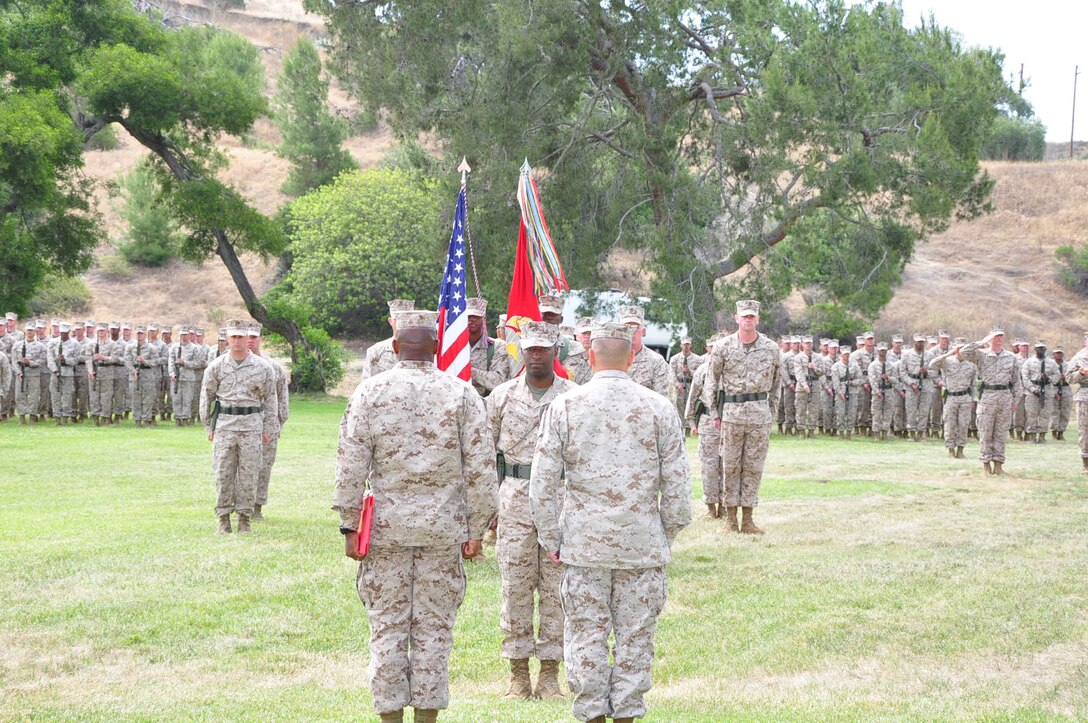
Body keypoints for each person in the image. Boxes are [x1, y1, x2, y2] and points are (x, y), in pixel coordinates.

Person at [333, 310, 497, 723]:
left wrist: (349, 526)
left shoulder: (369, 393)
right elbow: (481, 470)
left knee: (387, 628)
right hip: (443, 531)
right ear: (438, 347)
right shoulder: (462, 394)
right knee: (434, 631)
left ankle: (389, 716)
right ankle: (426, 718)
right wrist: (476, 529)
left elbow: (350, 465)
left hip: (385, 532)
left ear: (394, 347)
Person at [531, 322, 691, 723]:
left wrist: (551, 537)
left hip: (584, 546)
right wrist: (663, 534)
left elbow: (542, 483)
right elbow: (678, 489)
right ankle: (626, 716)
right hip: (641, 546)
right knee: (636, 640)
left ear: (590, 356)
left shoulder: (565, 406)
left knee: (586, 637)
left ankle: (592, 715)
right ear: (632, 357)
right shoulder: (659, 408)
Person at [486, 321, 576, 702]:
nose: (536, 356)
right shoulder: (502, 397)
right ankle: (518, 675)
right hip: (515, 501)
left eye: (543, 349)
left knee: (557, 591)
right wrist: (488, 506)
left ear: (555, 351)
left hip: (560, 501)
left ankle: (550, 675)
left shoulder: (573, 397)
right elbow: (485, 454)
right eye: (530, 349)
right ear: (522, 352)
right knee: (516, 588)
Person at [705, 300, 782, 534]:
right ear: (736, 318)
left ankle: (748, 519)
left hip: (759, 415)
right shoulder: (723, 347)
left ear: (758, 319)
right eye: (744, 316)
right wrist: (714, 412)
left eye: (752, 316)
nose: (748, 320)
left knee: (753, 467)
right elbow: (711, 381)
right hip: (732, 415)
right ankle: (730, 520)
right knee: (730, 466)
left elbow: (777, 384)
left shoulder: (771, 348)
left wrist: (771, 413)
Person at [200, 320, 279, 534]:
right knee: (223, 473)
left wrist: (268, 429)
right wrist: (208, 427)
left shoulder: (263, 367)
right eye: (233, 337)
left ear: (248, 339)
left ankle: (245, 518)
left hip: (251, 426)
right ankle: (223, 518)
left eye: (241, 337)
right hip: (225, 426)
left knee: (249, 474)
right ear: (227, 338)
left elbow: (271, 401)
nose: (237, 341)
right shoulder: (216, 366)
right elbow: (206, 398)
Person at [954, 328, 1021, 475]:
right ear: (990, 338)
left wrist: (1015, 400)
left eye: (1001, 336)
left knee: (1001, 433)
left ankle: (998, 465)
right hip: (987, 397)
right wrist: (982, 341)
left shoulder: (1010, 357)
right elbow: (963, 352)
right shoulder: (981, 355)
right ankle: (986, 465)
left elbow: (1016, 381)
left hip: (1005, 396)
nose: (999, 338)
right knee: (985, 432)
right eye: (996, 336)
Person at [247, 324, 290, 521]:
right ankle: (241, 506)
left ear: (260, 340)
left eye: (254, 337)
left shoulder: (274, 368)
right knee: (241, 467)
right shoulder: (234, 366)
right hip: (243, 424)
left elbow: (282, 398)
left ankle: (257, 507)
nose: (250, 341)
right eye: (247, 337)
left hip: (267, 425)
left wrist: (278, 424)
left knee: (263, 467)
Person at [685, 333, 723, 517]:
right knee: (709, 466)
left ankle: (725, 506)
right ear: (709, 349)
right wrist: (691, 421)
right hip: (708, 423)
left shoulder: (732, 370)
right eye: (713, 347)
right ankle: (710, 506)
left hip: (729, 423)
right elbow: (692, 397)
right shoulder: (702, 370)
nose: (716, 350)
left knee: (728, 467)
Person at [928, 337, 978, 459]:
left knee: (963, 425)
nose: (961, 351)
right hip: (951, 397)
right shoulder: (947, 362)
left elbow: (973, 384)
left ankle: (960, 449)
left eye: (963, 348)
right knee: (949, 424)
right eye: (958, 348)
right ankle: (950, 449)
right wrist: (948, 354)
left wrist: (974, 398)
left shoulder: (971, 365)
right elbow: (932, 365)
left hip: (965, 397)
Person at [617, 305, 674, 399]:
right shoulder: (609, 358)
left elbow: (662, 400)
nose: (631, 332)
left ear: (643, 331)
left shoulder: (656, 362)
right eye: (626, 327)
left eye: (635, 327)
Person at [466, 297, 511, 397]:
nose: (472, 319)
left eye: (476, 316)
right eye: (469, 316)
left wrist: (469, 371)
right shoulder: (455, 348)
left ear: (484, 320)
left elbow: (500, 381)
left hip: (486, 402)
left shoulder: (497, 347)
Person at [362, 299, 415, 380]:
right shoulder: (376, 352)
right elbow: (366, 384)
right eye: (397, 319)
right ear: (390, 321)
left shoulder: (421, 352)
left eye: (406, 320)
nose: (402, 324)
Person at [1020, 340, 1059, 444]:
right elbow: (1025, 377)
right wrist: (1033, 389)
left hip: (1047, 390)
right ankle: (1032, 436)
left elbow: (1057, 375)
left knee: (1045, 414)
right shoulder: (1029, 362)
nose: (1041, 349)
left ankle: (1042, 436)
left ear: (1045, 349)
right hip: (1032, 391)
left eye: (1043, 348)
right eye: (1039, 348)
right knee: (1031, 414)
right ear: (1035, 349)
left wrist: (1048, 378)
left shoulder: (1051, 363)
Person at [670, 336, 702, 435]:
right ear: (681, 345)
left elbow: (700, 374)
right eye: (684, 344)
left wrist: (690, 371)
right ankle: (680, 428)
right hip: (679, 385)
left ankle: (690, 428)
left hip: (691, 385)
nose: (686, 347)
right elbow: (671, 374)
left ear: (690, 346)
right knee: (678, 406)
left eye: (688, 344)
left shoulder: (697, 359)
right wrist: (677, 385)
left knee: (691, 405)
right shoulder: (675, 359)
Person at [830, 345, 863, 439]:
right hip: (841, 391)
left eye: (848, 354)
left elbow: (860, 380)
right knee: (840, 413)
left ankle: (849, 432)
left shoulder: (855, 366)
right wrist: (840, 392)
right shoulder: (836, 366)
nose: (846, 356)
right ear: (841, 354)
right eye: (844, 354)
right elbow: (835, 381)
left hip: (853, 392)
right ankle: (841, 432)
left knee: (852, 412)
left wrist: (852, 382)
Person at [1066, 333, 1088, 473]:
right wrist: (1080, 374)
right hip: (1085, 396)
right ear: (1086, 341)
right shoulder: (1079, 357)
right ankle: (1086, 463)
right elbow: (1069, 378)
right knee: (1085, 430)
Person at [867, 343, 898, 441]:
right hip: (878, 391)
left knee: (888, 412)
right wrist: (877, 392)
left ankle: (885, 432)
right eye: (881, 350)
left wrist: (888, 378)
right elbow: (872, 380)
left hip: (889, 390)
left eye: (884, 350)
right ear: (878, 351)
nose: (883, 352)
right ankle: (876, 433)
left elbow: (896, 380)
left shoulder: (891, 366)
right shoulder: (873, 365)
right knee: (876, 412)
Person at [1051, 347, 1072, 440]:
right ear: (1053, 354)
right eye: (1057, 353)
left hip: (1065, 388)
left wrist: (1065, 378)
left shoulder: (1068, 365)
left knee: (1065, 411)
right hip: (1054, 387)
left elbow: (1072, 377)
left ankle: (1061, 432)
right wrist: (1056, 378)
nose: (1059, 355)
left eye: (1060, 353)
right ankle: (1054, 431)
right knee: (1054, 411)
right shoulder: (1050, 364)